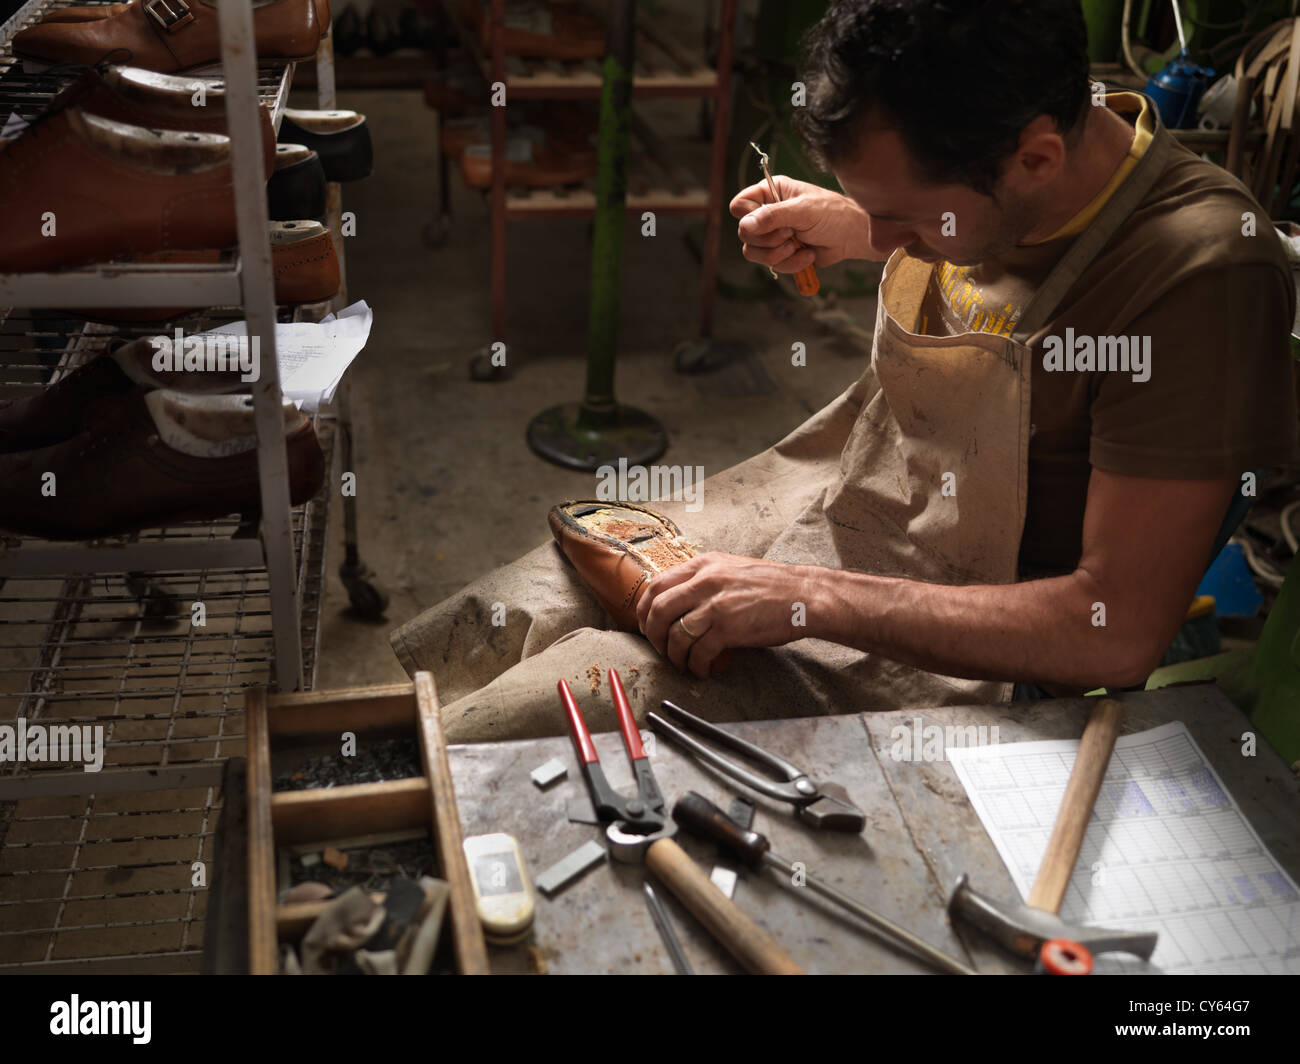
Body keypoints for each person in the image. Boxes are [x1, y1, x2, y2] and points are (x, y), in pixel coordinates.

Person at [391, 0, 1297, 742]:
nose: (888, 243)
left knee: (558, 712)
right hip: (851, 499)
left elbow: (1116, 631)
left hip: (971, 629)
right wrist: (858, 217)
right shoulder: (1015, 176)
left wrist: (808, 598)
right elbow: (984, 239)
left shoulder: (1199, 276)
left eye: (905, 216)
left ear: (1036, 158)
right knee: (515, 606)